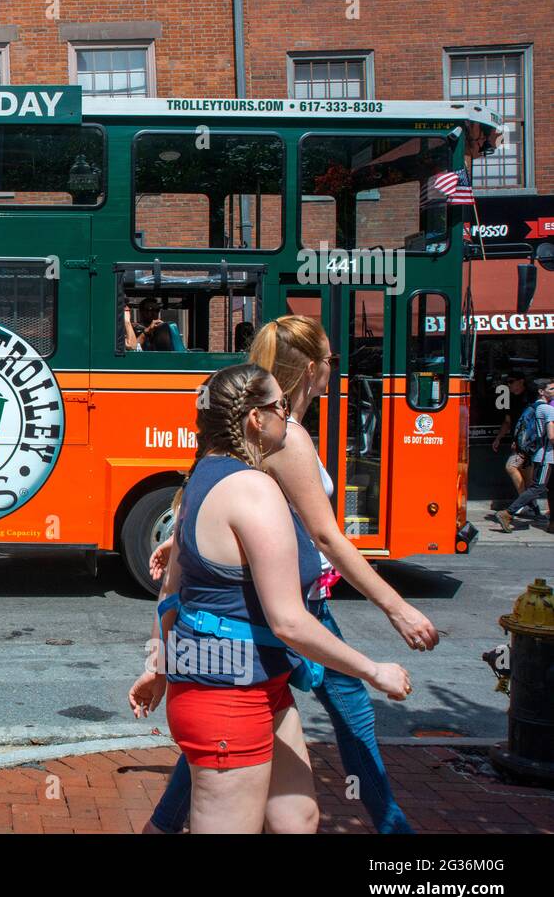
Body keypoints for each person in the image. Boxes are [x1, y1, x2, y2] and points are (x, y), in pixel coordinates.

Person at [134, 315, 437, 834]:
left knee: (297, 816)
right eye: (277, 408)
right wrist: (375, 667)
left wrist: (161, 666)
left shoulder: (206, 471)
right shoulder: (254, 487)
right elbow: (290, 621)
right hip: (230, 686)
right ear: (255, 420)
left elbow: (172, 594)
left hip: (257, 680)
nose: (288, 417)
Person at [497, 378, 554, 533]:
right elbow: (551, 436)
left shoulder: (533, 407)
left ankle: (552, 524)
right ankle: (507, 513)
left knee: (551, 488)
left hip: (544, 455)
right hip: (546, 456)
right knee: (537, 487)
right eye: (551, 389)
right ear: (541, 392)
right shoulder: (548, 410)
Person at [493, 374, 536, 506]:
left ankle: (523, 504)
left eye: (511, 381)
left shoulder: (531, 398)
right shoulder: (511, 399)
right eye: (507, 382)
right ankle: (531, 506)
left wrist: (521, 440)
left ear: (521, 381)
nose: (509, 385)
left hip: (529, 442)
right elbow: (508, 421)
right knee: (527, 476)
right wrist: (498, 438)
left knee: (511, 467)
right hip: (519, 442)